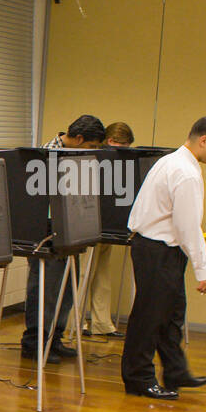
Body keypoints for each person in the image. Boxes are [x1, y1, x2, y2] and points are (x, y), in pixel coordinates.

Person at [121, 116, 206, 400]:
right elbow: (187, 226)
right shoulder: (186, 173)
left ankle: (176, 371)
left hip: (158, 249)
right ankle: (138, 379)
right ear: (204, 140)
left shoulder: (172, 161)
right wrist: (204, 270)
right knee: (150, 316)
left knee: (171, 314)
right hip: (158, 250)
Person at [21, 114, 105, 363]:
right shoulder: (45, 156)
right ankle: (35, 343)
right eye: (91, 147)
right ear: (78, 139)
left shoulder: (74, 156)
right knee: (44, 290)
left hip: (70, 231)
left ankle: (54, 339)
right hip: (46, 233)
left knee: (67, 289)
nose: (92, 153)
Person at [78, 120, 135, 339]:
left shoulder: (112, 160)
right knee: (84, 274)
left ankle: (102, 324)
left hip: (108, 225)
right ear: (111, 142)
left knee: (102, 275)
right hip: (89, 225)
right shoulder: (93, 159)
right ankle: (76, 323)